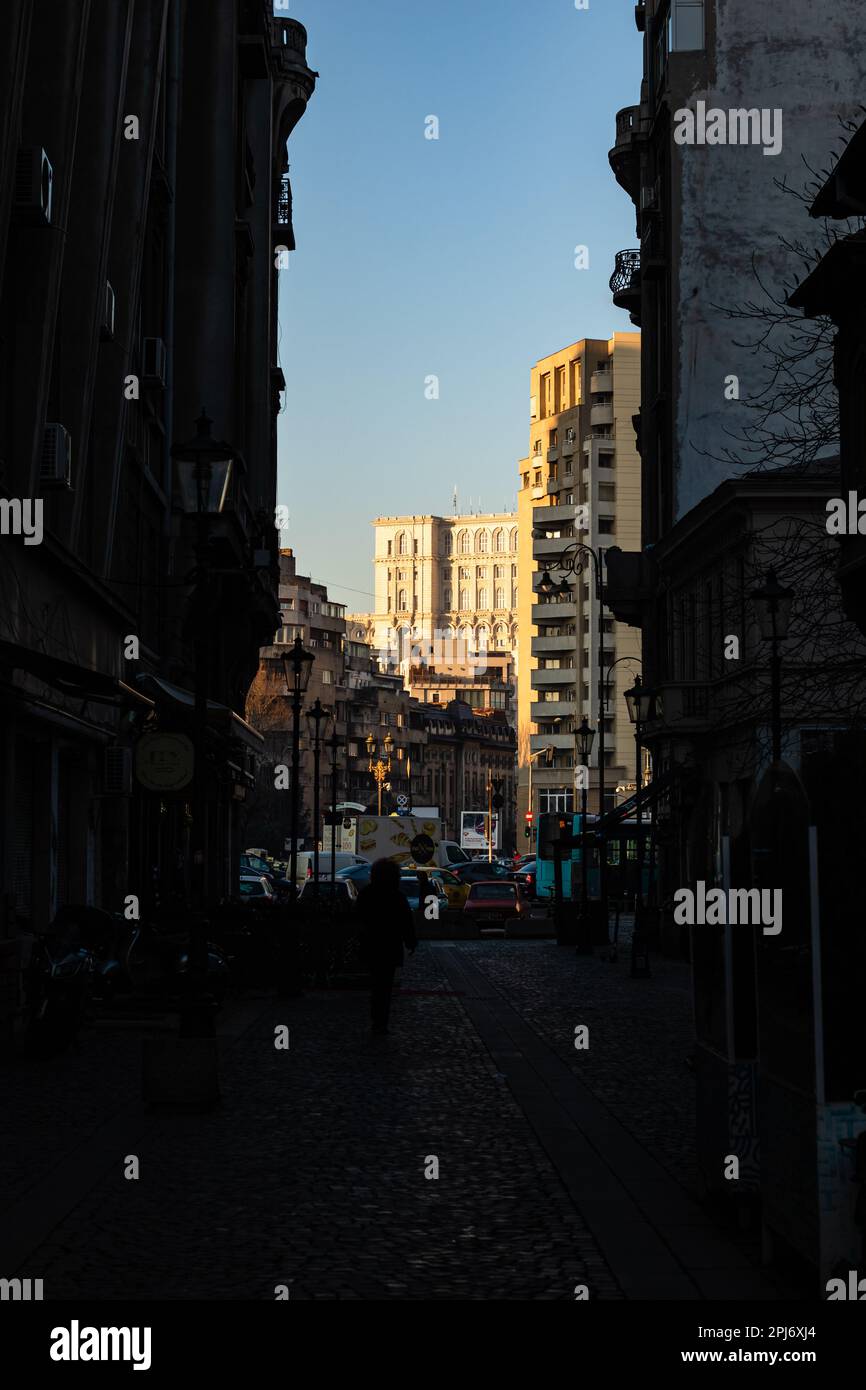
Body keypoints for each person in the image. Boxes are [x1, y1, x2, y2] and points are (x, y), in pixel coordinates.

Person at [355, 858, 416, 1035]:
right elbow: (406, 922)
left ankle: (377, 1018)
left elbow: (358, 917)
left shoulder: (366, 894)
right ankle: (381, 1020)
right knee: (385, 985)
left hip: (372, 945)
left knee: (376, 984)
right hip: (390, 946)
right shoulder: (397, 897)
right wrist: (410, 941)